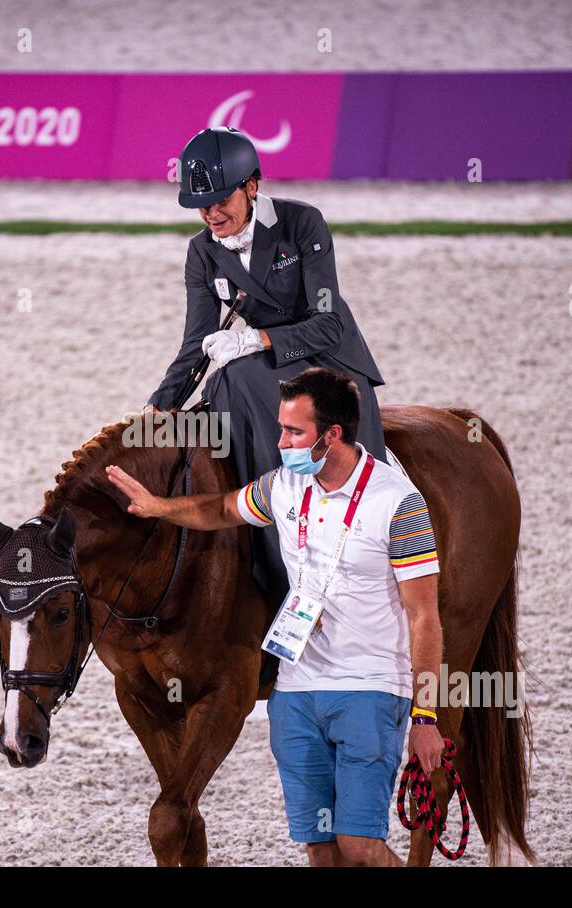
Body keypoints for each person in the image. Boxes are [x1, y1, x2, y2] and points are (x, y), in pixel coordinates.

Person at [108, 367, 444, 867]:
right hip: (296, 691)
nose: (280, 441)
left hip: (370, 688)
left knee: (360, 845)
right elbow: (220, 509)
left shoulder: (398, 504)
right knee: (321, 846)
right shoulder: (285, 485)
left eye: (293, 432)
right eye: (281, 428)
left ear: (332, 435)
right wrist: (160, 507)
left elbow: (425, 618)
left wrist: (425, 716)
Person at [144, 126, 390, 608]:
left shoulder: (302, 224)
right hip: (254, 363)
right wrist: (158, 406)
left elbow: (330, 323)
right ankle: (251, 536)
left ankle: (297, 520)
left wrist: (258, 338)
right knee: (223, 384)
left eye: (221, 201)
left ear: (251, 186)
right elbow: (196, 344)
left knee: (234, 376)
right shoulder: (201, 251)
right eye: (202, 205)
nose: (212, 214)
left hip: (325, 358)